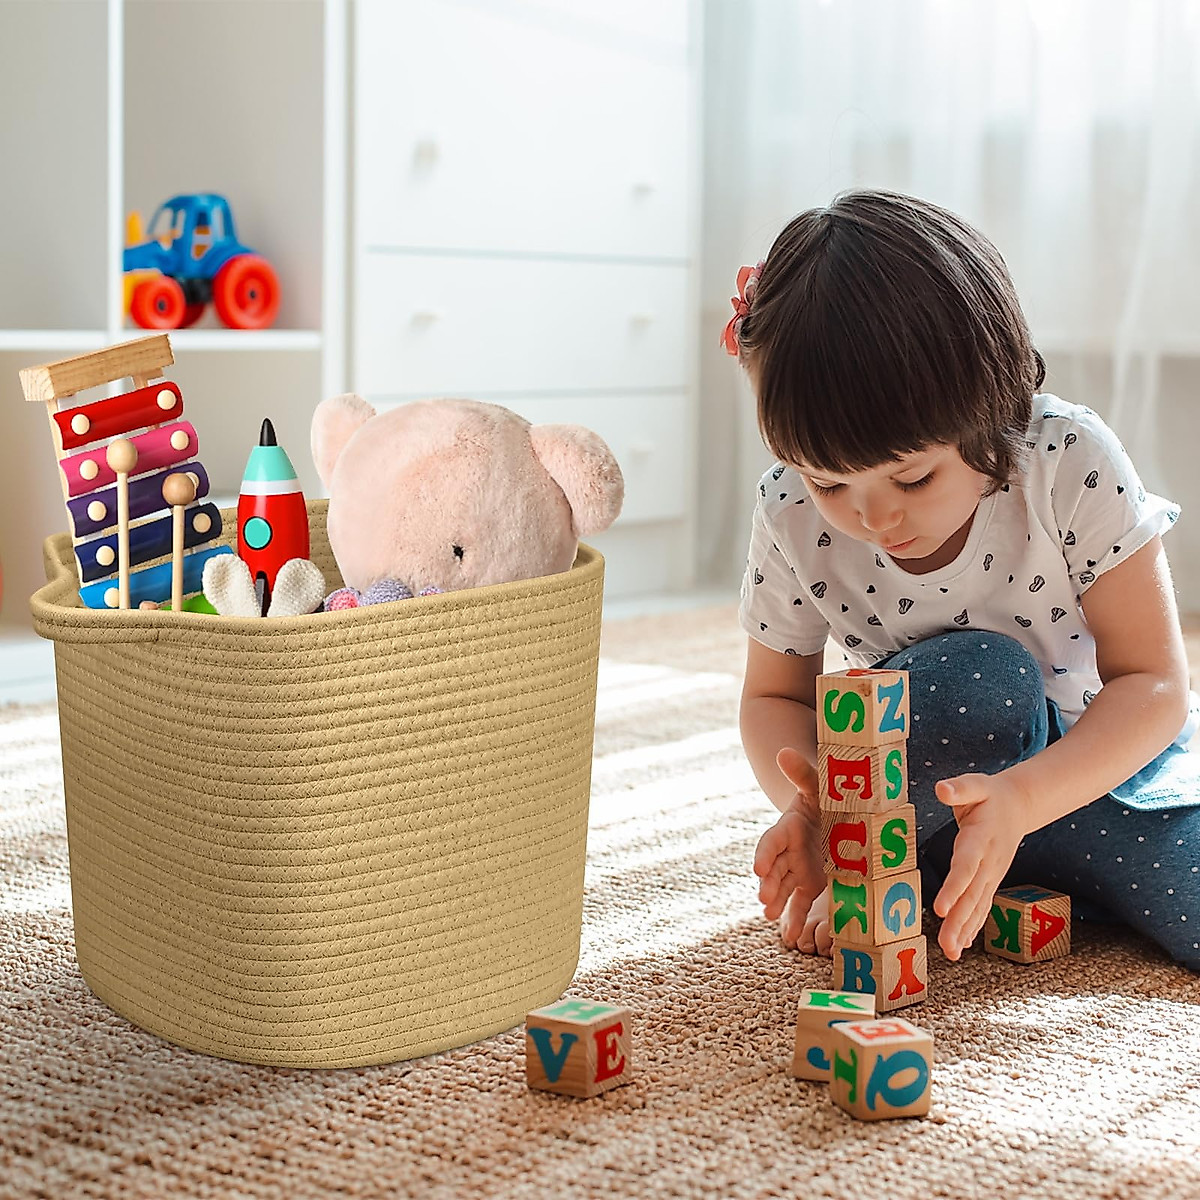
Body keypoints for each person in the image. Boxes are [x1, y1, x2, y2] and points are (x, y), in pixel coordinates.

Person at [730, 189, 1200, 972]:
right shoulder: (786, 511)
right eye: (829, 483)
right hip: (926, 813)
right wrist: (818, 811)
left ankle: (1043, 875)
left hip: (1097, 783)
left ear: (995, 404)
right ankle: (917, 871)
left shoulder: (1065, 460)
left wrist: (1023, 800)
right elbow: (771, 696)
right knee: (980, 679)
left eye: (912, 478)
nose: (874, 517)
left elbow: (1153, 684)